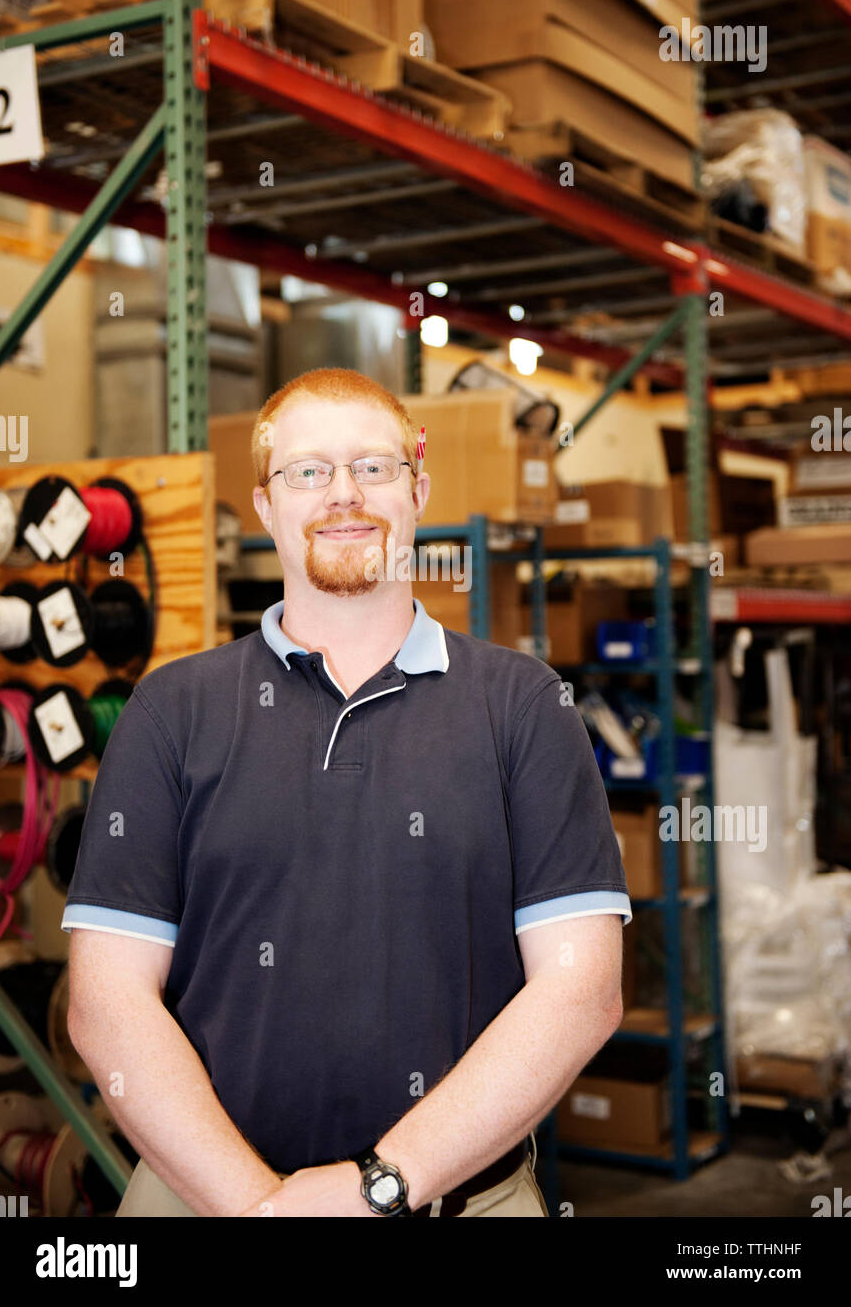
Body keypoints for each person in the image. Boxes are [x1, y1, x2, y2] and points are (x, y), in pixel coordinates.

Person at [62, 366, 631, 1218]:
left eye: (374, 467)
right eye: (307, 471)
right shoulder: (171, 710)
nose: (343, 494)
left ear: (418, 492)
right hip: (201, 1201)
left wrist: (382, 1184)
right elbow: (106, 1003)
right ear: (264, 505)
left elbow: (580, 990)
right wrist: (259, 1206)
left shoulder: (523, 705)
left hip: (462, 1201)